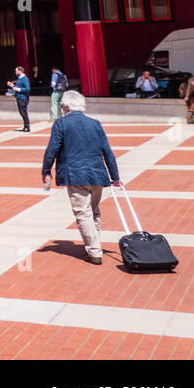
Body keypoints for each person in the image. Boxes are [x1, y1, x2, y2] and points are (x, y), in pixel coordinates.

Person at [42, 92, 120, 265]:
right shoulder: (95, 123)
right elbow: (107, 151)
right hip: (97, 174)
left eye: (63, 106)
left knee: (83, 213)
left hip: (75, 174)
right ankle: (95, 243)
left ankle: (94, 250)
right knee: (93, 210)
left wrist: (46, 171)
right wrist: (115, 176)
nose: (62, 109)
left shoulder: (61, 123)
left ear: (67, 107)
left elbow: (52, 150)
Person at [6, 66, 31, 131]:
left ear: (20, 71)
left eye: (16, 71)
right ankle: (25, 126)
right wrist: (11, 85)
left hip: (23, 98)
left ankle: (27, 127)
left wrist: (18, 89)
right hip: (19, 97)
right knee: (22, 112)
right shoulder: (19, 78)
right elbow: (16, 87)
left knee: (23, 112)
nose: (15, 72)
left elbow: (27, 88)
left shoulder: (25, 79)